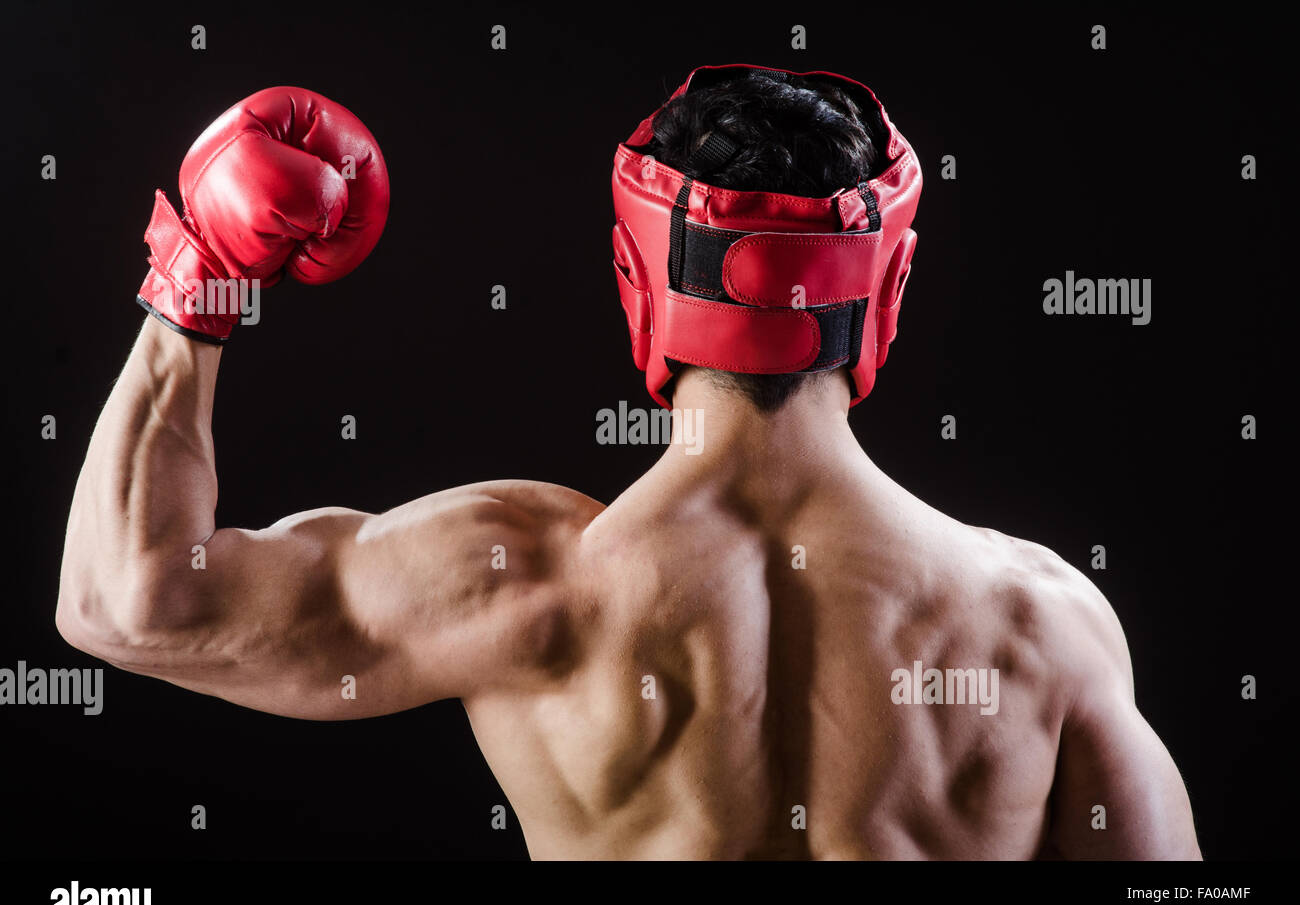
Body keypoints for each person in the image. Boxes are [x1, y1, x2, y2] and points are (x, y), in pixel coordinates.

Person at [55, 71, 1201, 860]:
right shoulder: (1041, 626)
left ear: (635, 282)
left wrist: (197, 280)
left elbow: (124, 604)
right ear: (884, 294)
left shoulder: (522, 581)